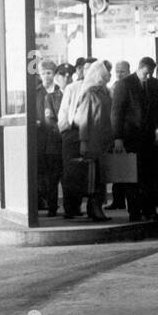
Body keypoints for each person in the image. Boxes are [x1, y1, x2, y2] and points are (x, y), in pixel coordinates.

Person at [113, 56, 158, 221]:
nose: (148, 76)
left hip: (149, 137)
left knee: (150, 176)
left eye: (151, 73)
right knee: (133, 177)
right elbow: (117, 112)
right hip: (131, 137)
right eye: (146, 73)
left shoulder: (154, 84)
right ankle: (135, 212)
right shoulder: (125, 84)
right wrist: (118, 137)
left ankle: (150, 210)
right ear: (140, 68)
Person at [72, 61, 115, 222]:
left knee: (101, 176)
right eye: (107, 71)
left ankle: (94, 207)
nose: (109, 74)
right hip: (93, 141)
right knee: (95, 177)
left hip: (104, 140)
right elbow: (84, 119)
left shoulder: (106, 92)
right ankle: (95, 208)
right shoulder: (90, 93)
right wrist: (83, 141)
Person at [57, 56, 96, 220]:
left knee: (86, 173)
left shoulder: (99, 88)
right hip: (73, 133)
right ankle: (70, 208)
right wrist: (67, 131)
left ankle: (81, 206)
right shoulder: (72, 88)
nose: (88, 71)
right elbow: (64, 112)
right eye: (85, 68)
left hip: (92, 134)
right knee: (71, 172)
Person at [34, 60, 64, 216]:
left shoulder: (60, 91)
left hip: (56, 138)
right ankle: (42, 202)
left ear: (54, 74)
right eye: (43, 73)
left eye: (49, 73)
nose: (46, 76)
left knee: (54, 174)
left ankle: (53, 206)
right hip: (40, 139)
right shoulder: (35, 92)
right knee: (41, 174)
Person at [106, 61, 132, 209]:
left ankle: (126, 201)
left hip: (128, 132)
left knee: (128, 170)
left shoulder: (130, 85)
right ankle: (118, 200)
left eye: (122, 71)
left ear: (129, 70)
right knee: (118, 169)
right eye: (117, 71)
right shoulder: (114, 88)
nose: (119, 74)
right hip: (116, 133)